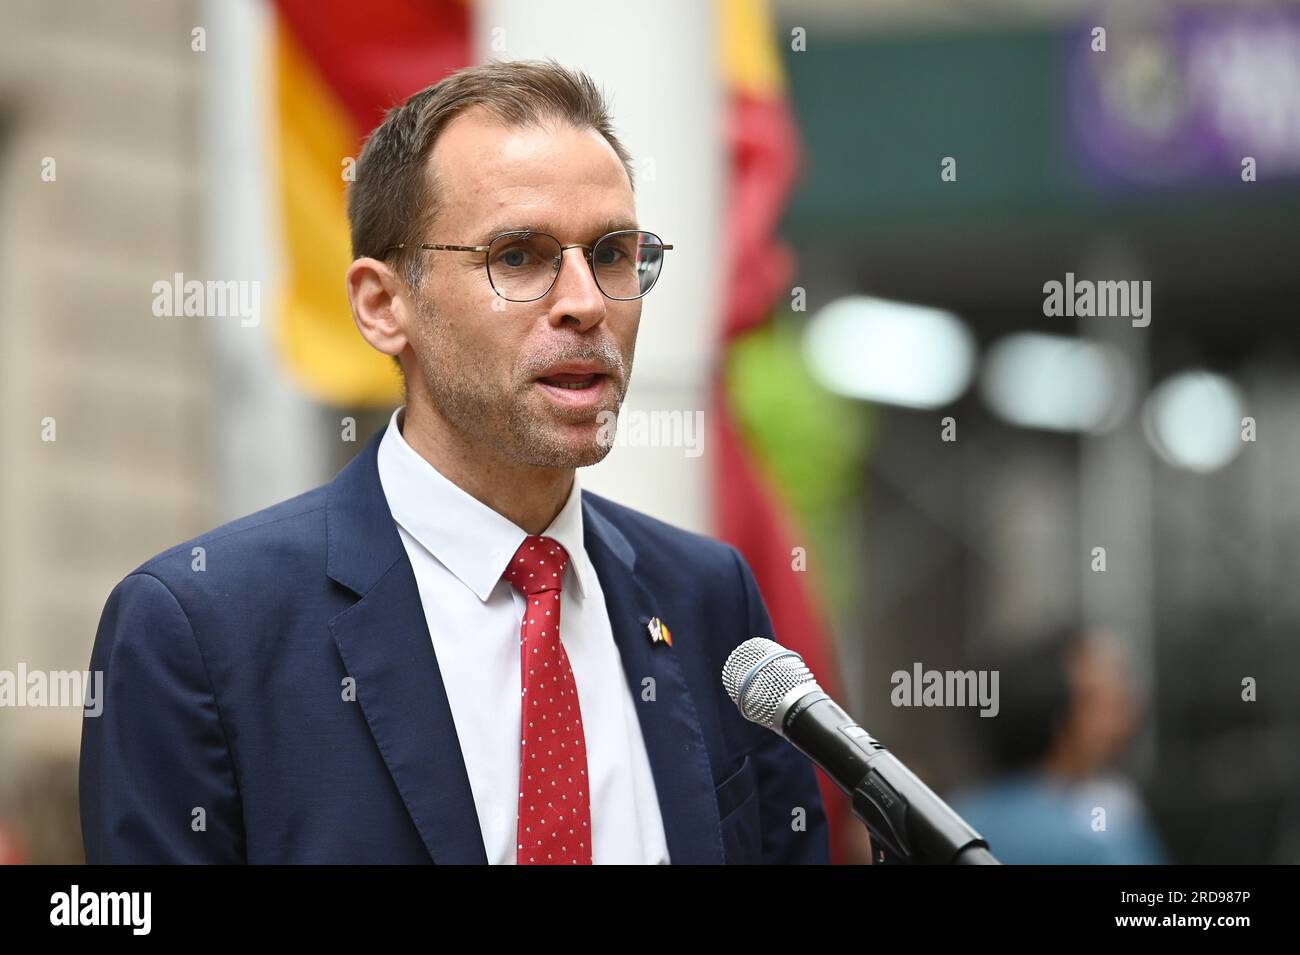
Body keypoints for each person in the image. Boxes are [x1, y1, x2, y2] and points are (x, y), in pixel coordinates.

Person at [79, 59, 829, 865]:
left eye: (612, 253)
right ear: (381, 304)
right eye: (518, 256)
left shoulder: (707, 597)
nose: (584, 301)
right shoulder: (199, 630)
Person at [947, 627, 1167, 864]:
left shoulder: (952, 817)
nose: (1130, 713)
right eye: (1101, 701)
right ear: (1059, 718)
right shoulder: (1098, 833)